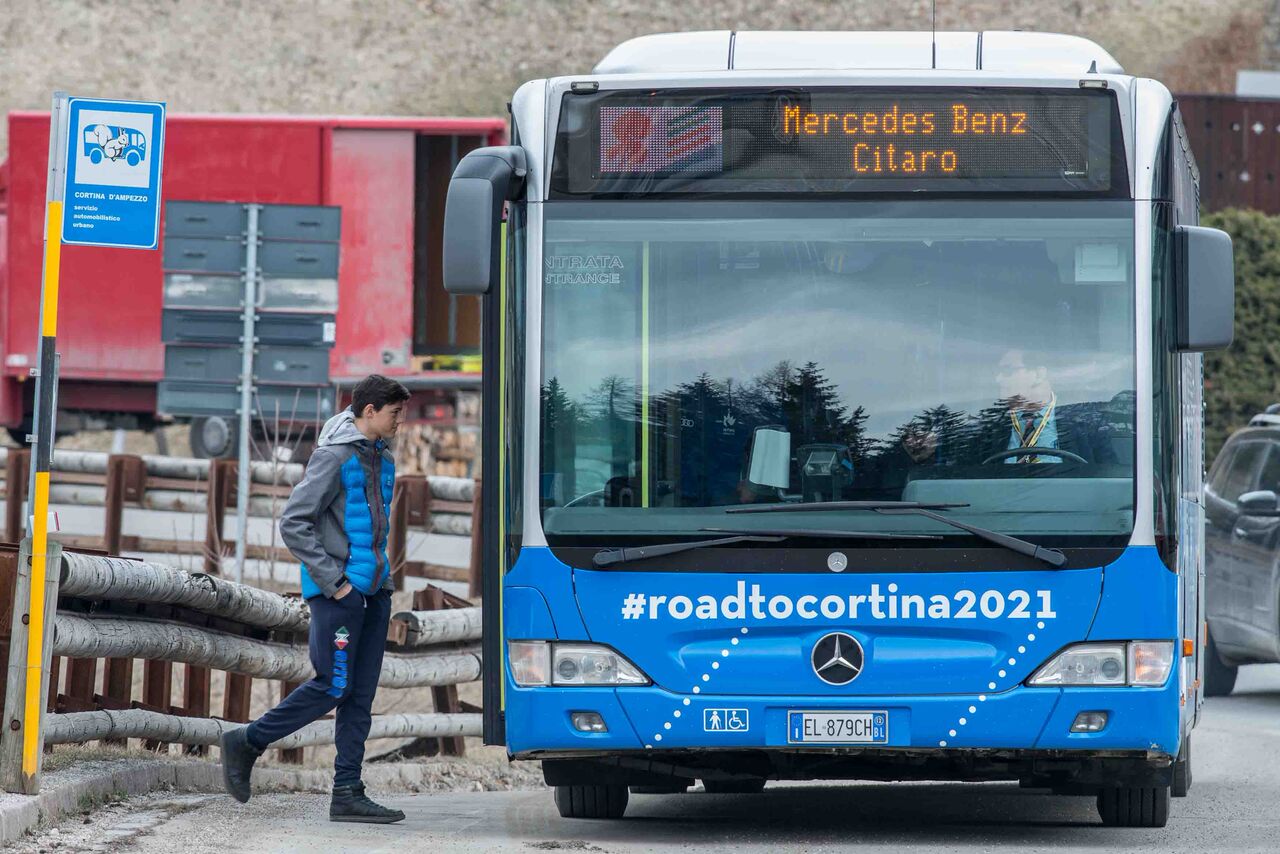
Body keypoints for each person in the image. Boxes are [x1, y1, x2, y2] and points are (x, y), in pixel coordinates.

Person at [219, 374, 411, 824]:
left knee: (359, 695)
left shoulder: (383, 459)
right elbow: (294, 522)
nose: (401, 420)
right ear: (369, 411)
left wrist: (380, 584)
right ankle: (248, 740)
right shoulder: (334, 456)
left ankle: (347, 791)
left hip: (374, 594)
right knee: (333, 685)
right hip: (339, 595)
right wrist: (335, 583)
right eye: (395, 412)